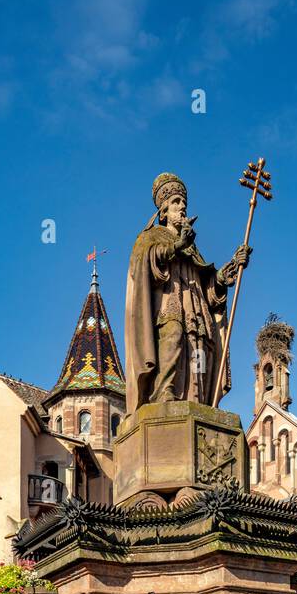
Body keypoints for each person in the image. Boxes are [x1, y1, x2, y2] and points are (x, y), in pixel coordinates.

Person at [124, 172, 251, 413]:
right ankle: (165, 393)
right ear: (163, 211)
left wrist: (227, 272)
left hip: (195, 308)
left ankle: (197, 402)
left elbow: (208, 288)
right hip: (169, 302)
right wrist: (176, 246)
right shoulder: (150, 237)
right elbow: (146, 262)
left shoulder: (193, 249)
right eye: (175, 202)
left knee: (199, 348)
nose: (182, 206)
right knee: (173, 336)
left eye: (183, 203)